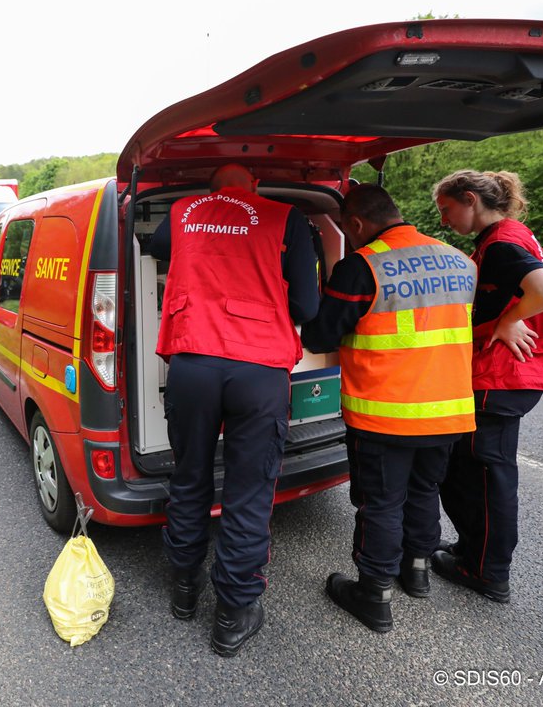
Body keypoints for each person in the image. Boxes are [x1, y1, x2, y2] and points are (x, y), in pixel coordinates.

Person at [150, 162, 319, 657]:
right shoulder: (284, 217)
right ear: (255, 187)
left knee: (190, 476)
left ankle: (184, 589)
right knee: (249, 489)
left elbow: (157, 247)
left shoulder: (183, 212)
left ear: (210, 189)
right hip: (258, 367)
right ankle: (233, 614)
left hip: (192, 361)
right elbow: (307, 308)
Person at [300, 184, 477, 632]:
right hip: (447, 409)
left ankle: (373, 593)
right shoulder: (458, 260)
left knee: (380, 502)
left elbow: (320, 336)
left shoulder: (361, 266)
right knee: (424, 490)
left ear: (356, 225)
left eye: (346, 228)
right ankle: (416, 571)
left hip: (387, 411)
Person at [429, 169, 543, 604]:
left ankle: (487, 571)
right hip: (500, 375)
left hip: (501, 376)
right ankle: (473, 550)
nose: (444, 221)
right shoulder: (503, 236)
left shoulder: (503, 243)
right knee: (464, 469)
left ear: (470, 199)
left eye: (447, 210)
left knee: (486, 475)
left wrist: (508, 321)